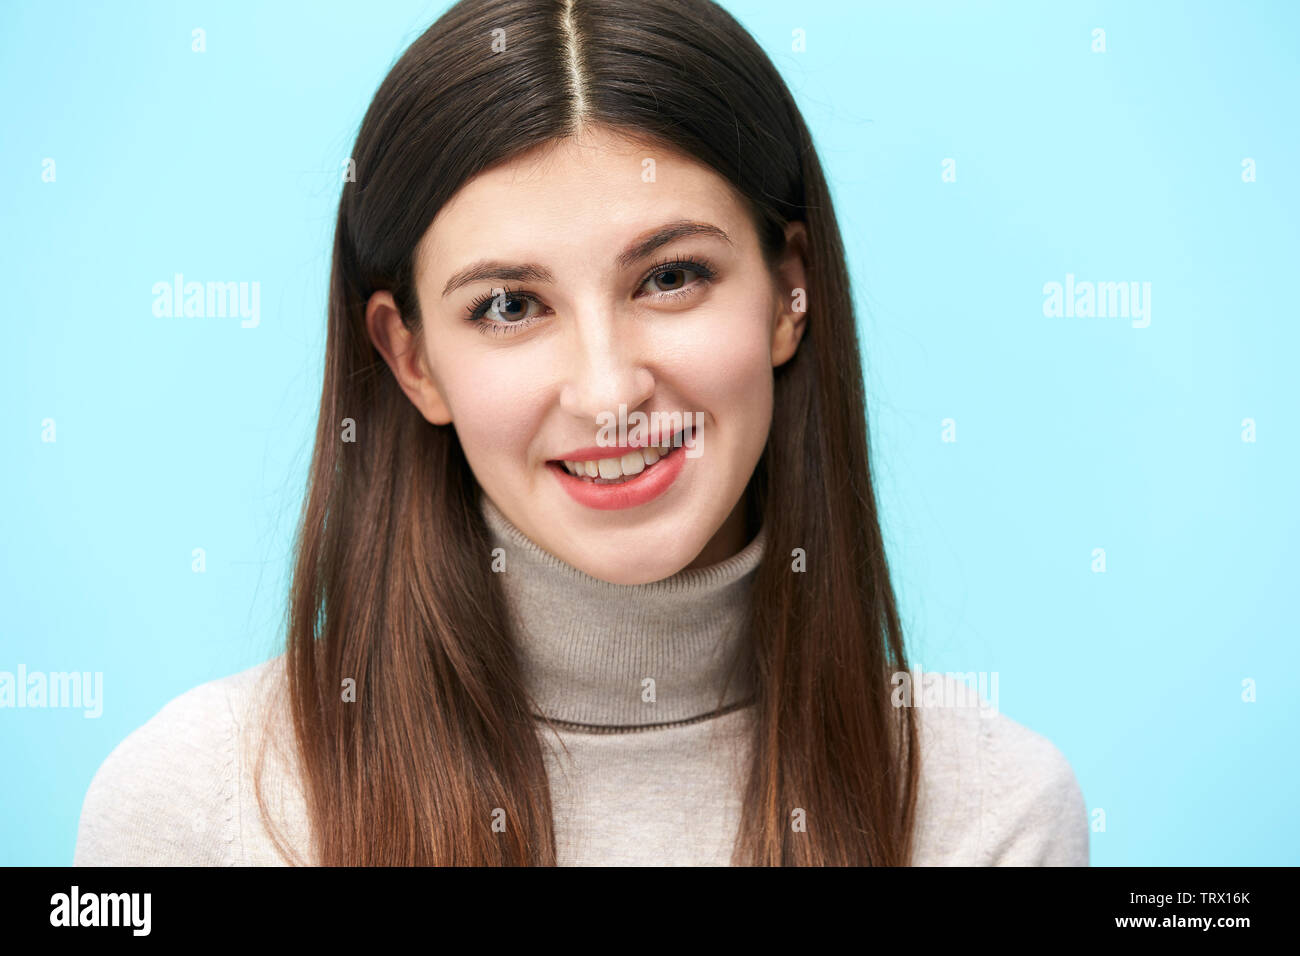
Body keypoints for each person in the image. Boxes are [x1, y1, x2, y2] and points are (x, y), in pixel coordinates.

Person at [74, 0, 1088, 866]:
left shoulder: (989, 810)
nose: (608, 391)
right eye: (510, 305)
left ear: (789, 289)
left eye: (669, 276)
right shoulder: (196, 809)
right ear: (412, 358)